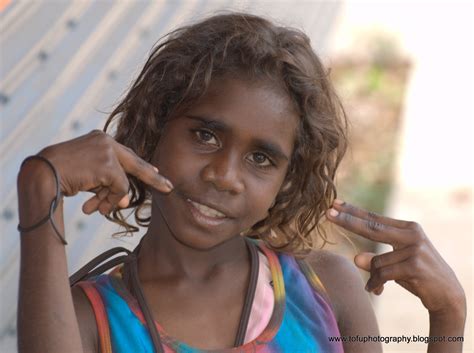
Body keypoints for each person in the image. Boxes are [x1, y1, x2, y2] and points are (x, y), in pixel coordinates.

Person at [16, 12, 466, 353]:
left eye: (261, 158)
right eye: (205, 135)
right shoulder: (92, 320)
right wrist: (40, 189)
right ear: (154, 130)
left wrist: (448, 318)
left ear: (287, 182)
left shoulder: (326, 289)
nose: (225, 177)